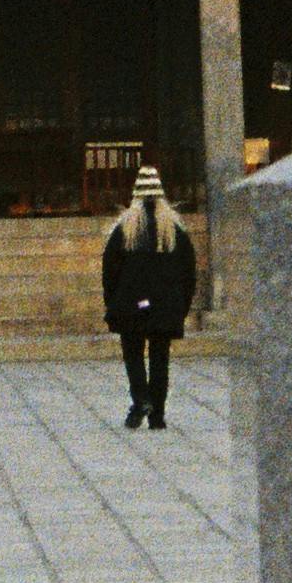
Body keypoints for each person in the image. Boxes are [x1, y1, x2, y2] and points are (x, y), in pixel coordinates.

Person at [102, 165, 197, 432]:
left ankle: (141, 399)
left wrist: (113, 302)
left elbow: (110, 271)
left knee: (133, 354)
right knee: (160, 358)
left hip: (132, 303)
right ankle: (158, 416)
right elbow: (189, 273)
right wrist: (181, 307)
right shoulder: (174, 230)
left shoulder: (125, 229)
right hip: (165, 306)